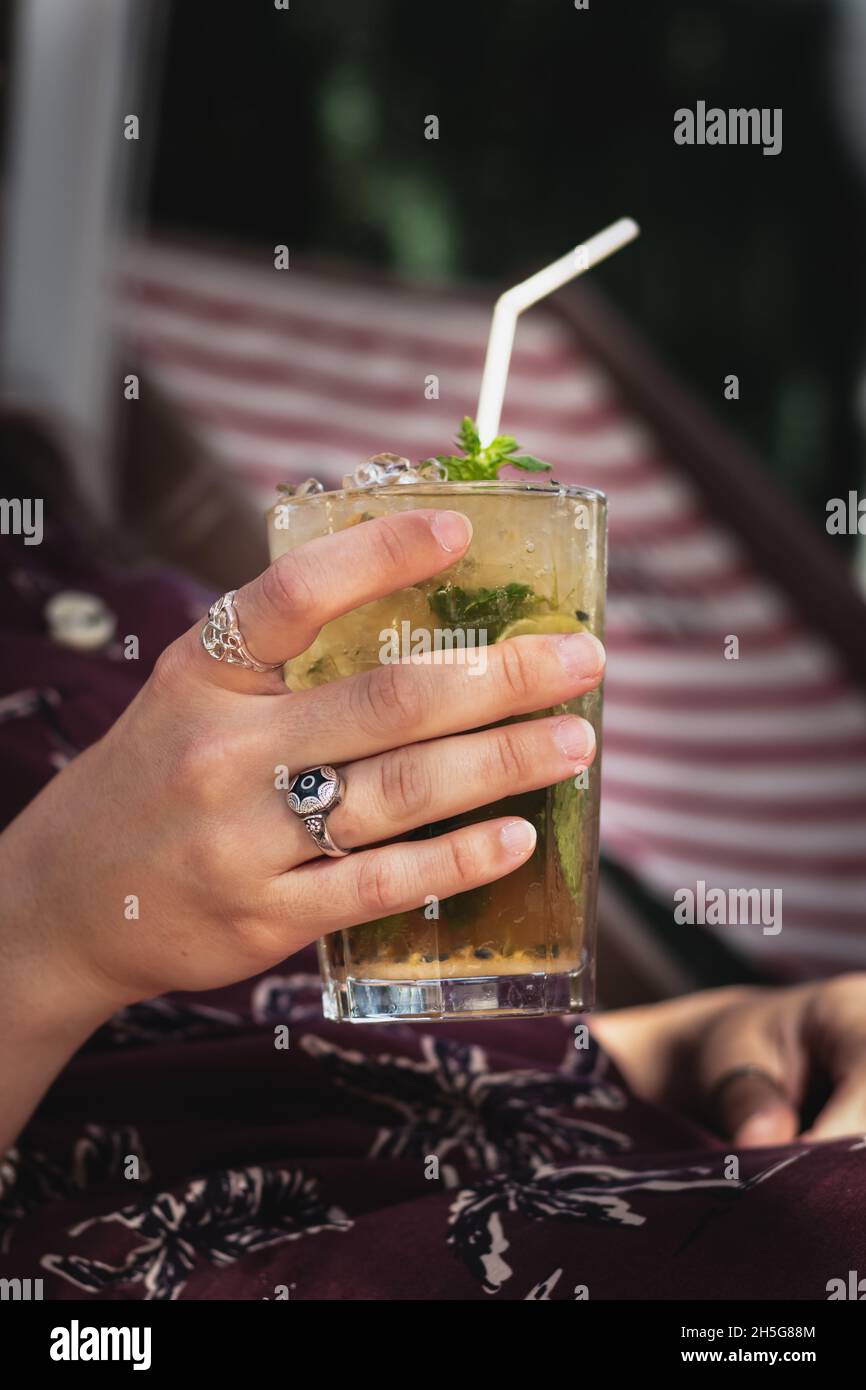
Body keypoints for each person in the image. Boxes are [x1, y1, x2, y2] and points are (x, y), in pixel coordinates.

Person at [1, 416, 864, 1301]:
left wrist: (694, 1037)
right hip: (229, 1238)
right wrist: (45, 925)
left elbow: (335, 1010)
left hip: (572, 1142)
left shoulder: (58, 539)